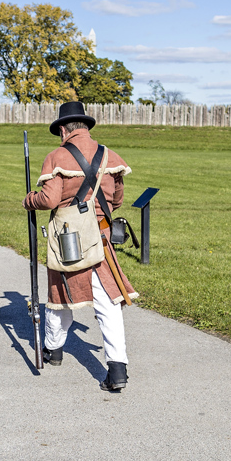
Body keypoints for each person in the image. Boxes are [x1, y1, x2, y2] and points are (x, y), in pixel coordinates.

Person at [23, 101, 138, 391]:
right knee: (108, 303)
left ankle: (54, 349)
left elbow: (48, 200)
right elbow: (117, 200)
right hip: (101, 237)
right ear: (85, 127)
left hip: (68, 237)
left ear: (63, 129)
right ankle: (117, 368)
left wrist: (29, 200)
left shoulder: (57, 156)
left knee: (61, 298)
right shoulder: (109, 155)